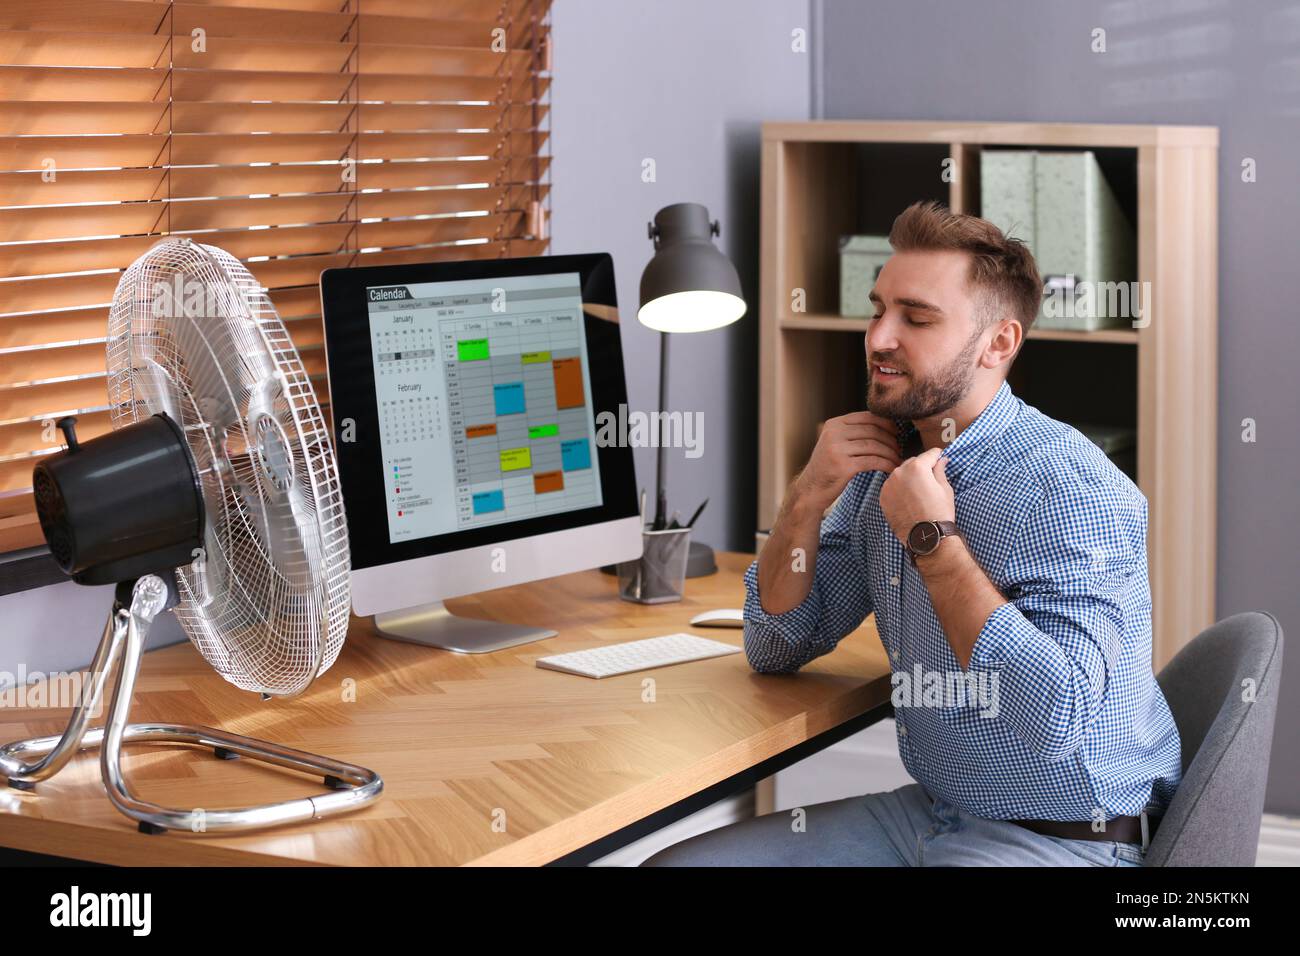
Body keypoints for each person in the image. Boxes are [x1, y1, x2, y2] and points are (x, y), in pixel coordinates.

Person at [642, 201, 1179, 867]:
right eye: (877, 310)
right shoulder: (883, 466)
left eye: (916, 318)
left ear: (999, 343)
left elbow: (1056, 721)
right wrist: (806, 496)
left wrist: (932, 537)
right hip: (931, 812)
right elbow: (776, 643)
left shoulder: (1071, 488)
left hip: (1068, 842)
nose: (877, 338)